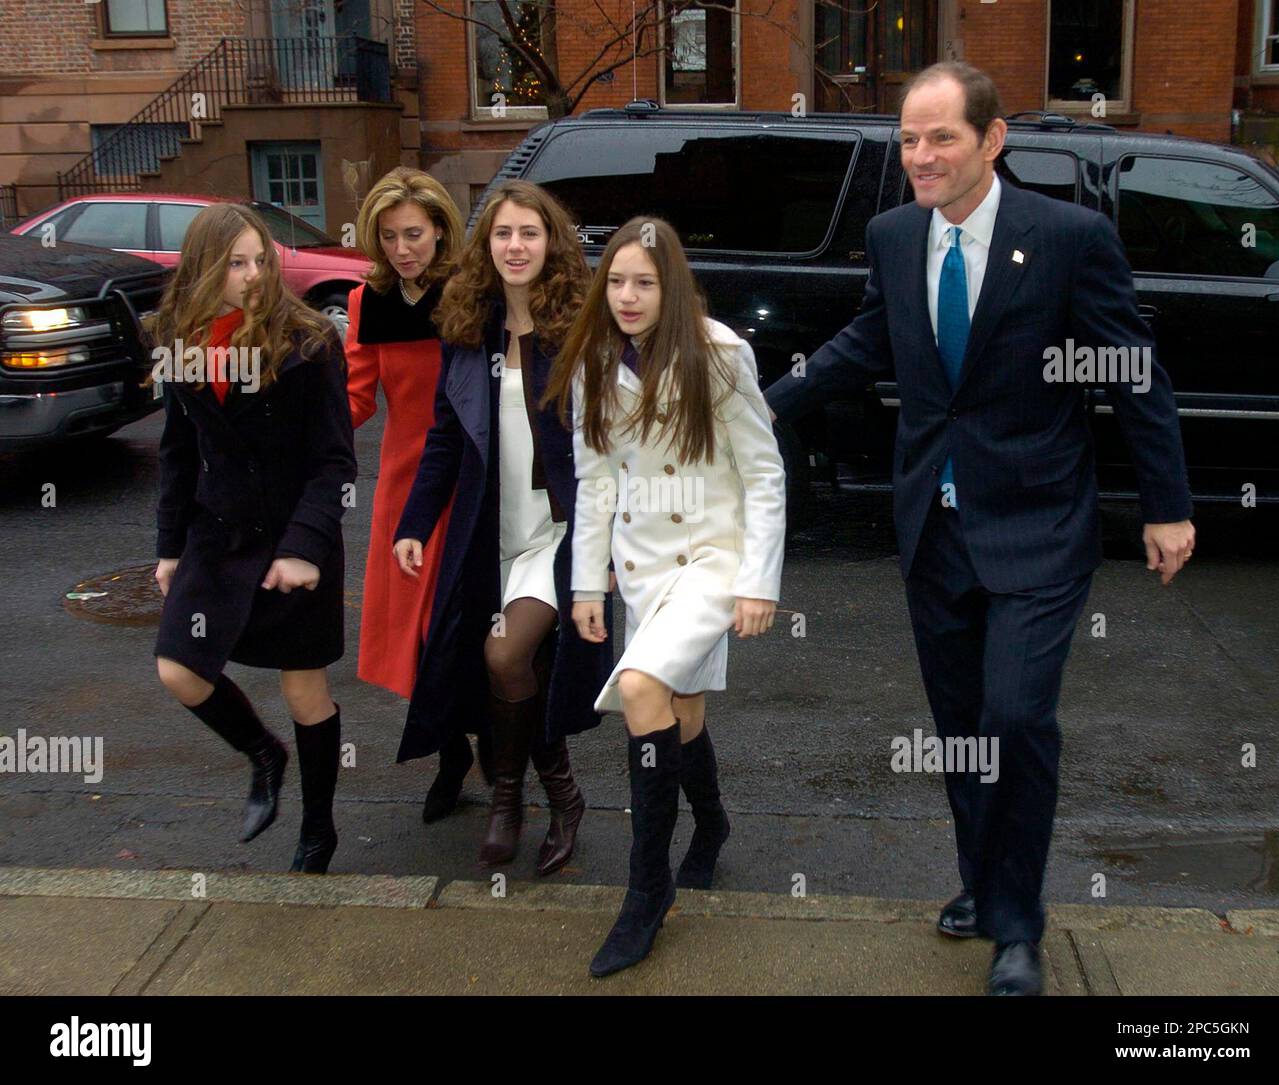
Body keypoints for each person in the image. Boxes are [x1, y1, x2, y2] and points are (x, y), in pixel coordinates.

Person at [765, 62, 1195, 996]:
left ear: (991, 141)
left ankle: (1018, 925)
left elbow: (1130, 373)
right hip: (935, 526)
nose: (920, 157)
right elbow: (867, 343)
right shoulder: (892, 235)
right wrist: (762, 407)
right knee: (962, 730)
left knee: (1014, 717)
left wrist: (1167, 504)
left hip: (1038, 523)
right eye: (909, 141)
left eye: (941, 138)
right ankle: (981, 883)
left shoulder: (1069, 237)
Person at [550, 216, 786, 978]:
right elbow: (596, 482)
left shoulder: (719, 353)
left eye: (644, 283)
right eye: (615, 281)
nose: (626, 296)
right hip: (643, 567)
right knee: (679, 706)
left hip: (712, 558)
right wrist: (587, 581)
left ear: (670, 286)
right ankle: (711, 824)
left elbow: (764, 472)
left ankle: (645, 894)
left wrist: (758, 581)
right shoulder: (592, 359)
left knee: (642, 688)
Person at [393, 180, 613, 875]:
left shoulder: (581, 328)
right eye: (502, 234)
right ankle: (552, 800)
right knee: (509, 667)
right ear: (485, 247)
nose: (515, 246)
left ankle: (515, 799)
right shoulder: (468, 327)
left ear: (552, 244)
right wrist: (415, 524)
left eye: (529, 233)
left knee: (504, 656)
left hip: (561, 534)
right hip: (491, 534)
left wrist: (612, 545)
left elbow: (621, 443)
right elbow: (444, 441)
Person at [151, 203, 357, 874]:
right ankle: (263, 753)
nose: (253, 275)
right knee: (179, 670)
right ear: (207, 268)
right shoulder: (180, 339)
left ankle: (318, 831)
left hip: (295, 536)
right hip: (217, 534)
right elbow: (180, 451)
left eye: (261, 260)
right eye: (236, 263)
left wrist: (303, 547)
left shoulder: (309, 342)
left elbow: (334, 464)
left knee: (305, 690)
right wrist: (170, 547)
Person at [345, 166, 489, 823]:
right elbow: (355, 399)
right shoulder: (363, 302)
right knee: (416, 632)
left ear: (439, 232)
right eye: (389, 236)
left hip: (474, 474)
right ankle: (452, 752)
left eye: (414, 234)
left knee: (469, 624)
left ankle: (497, 753)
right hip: (405, 487)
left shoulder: (469, 294)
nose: (402, 248)